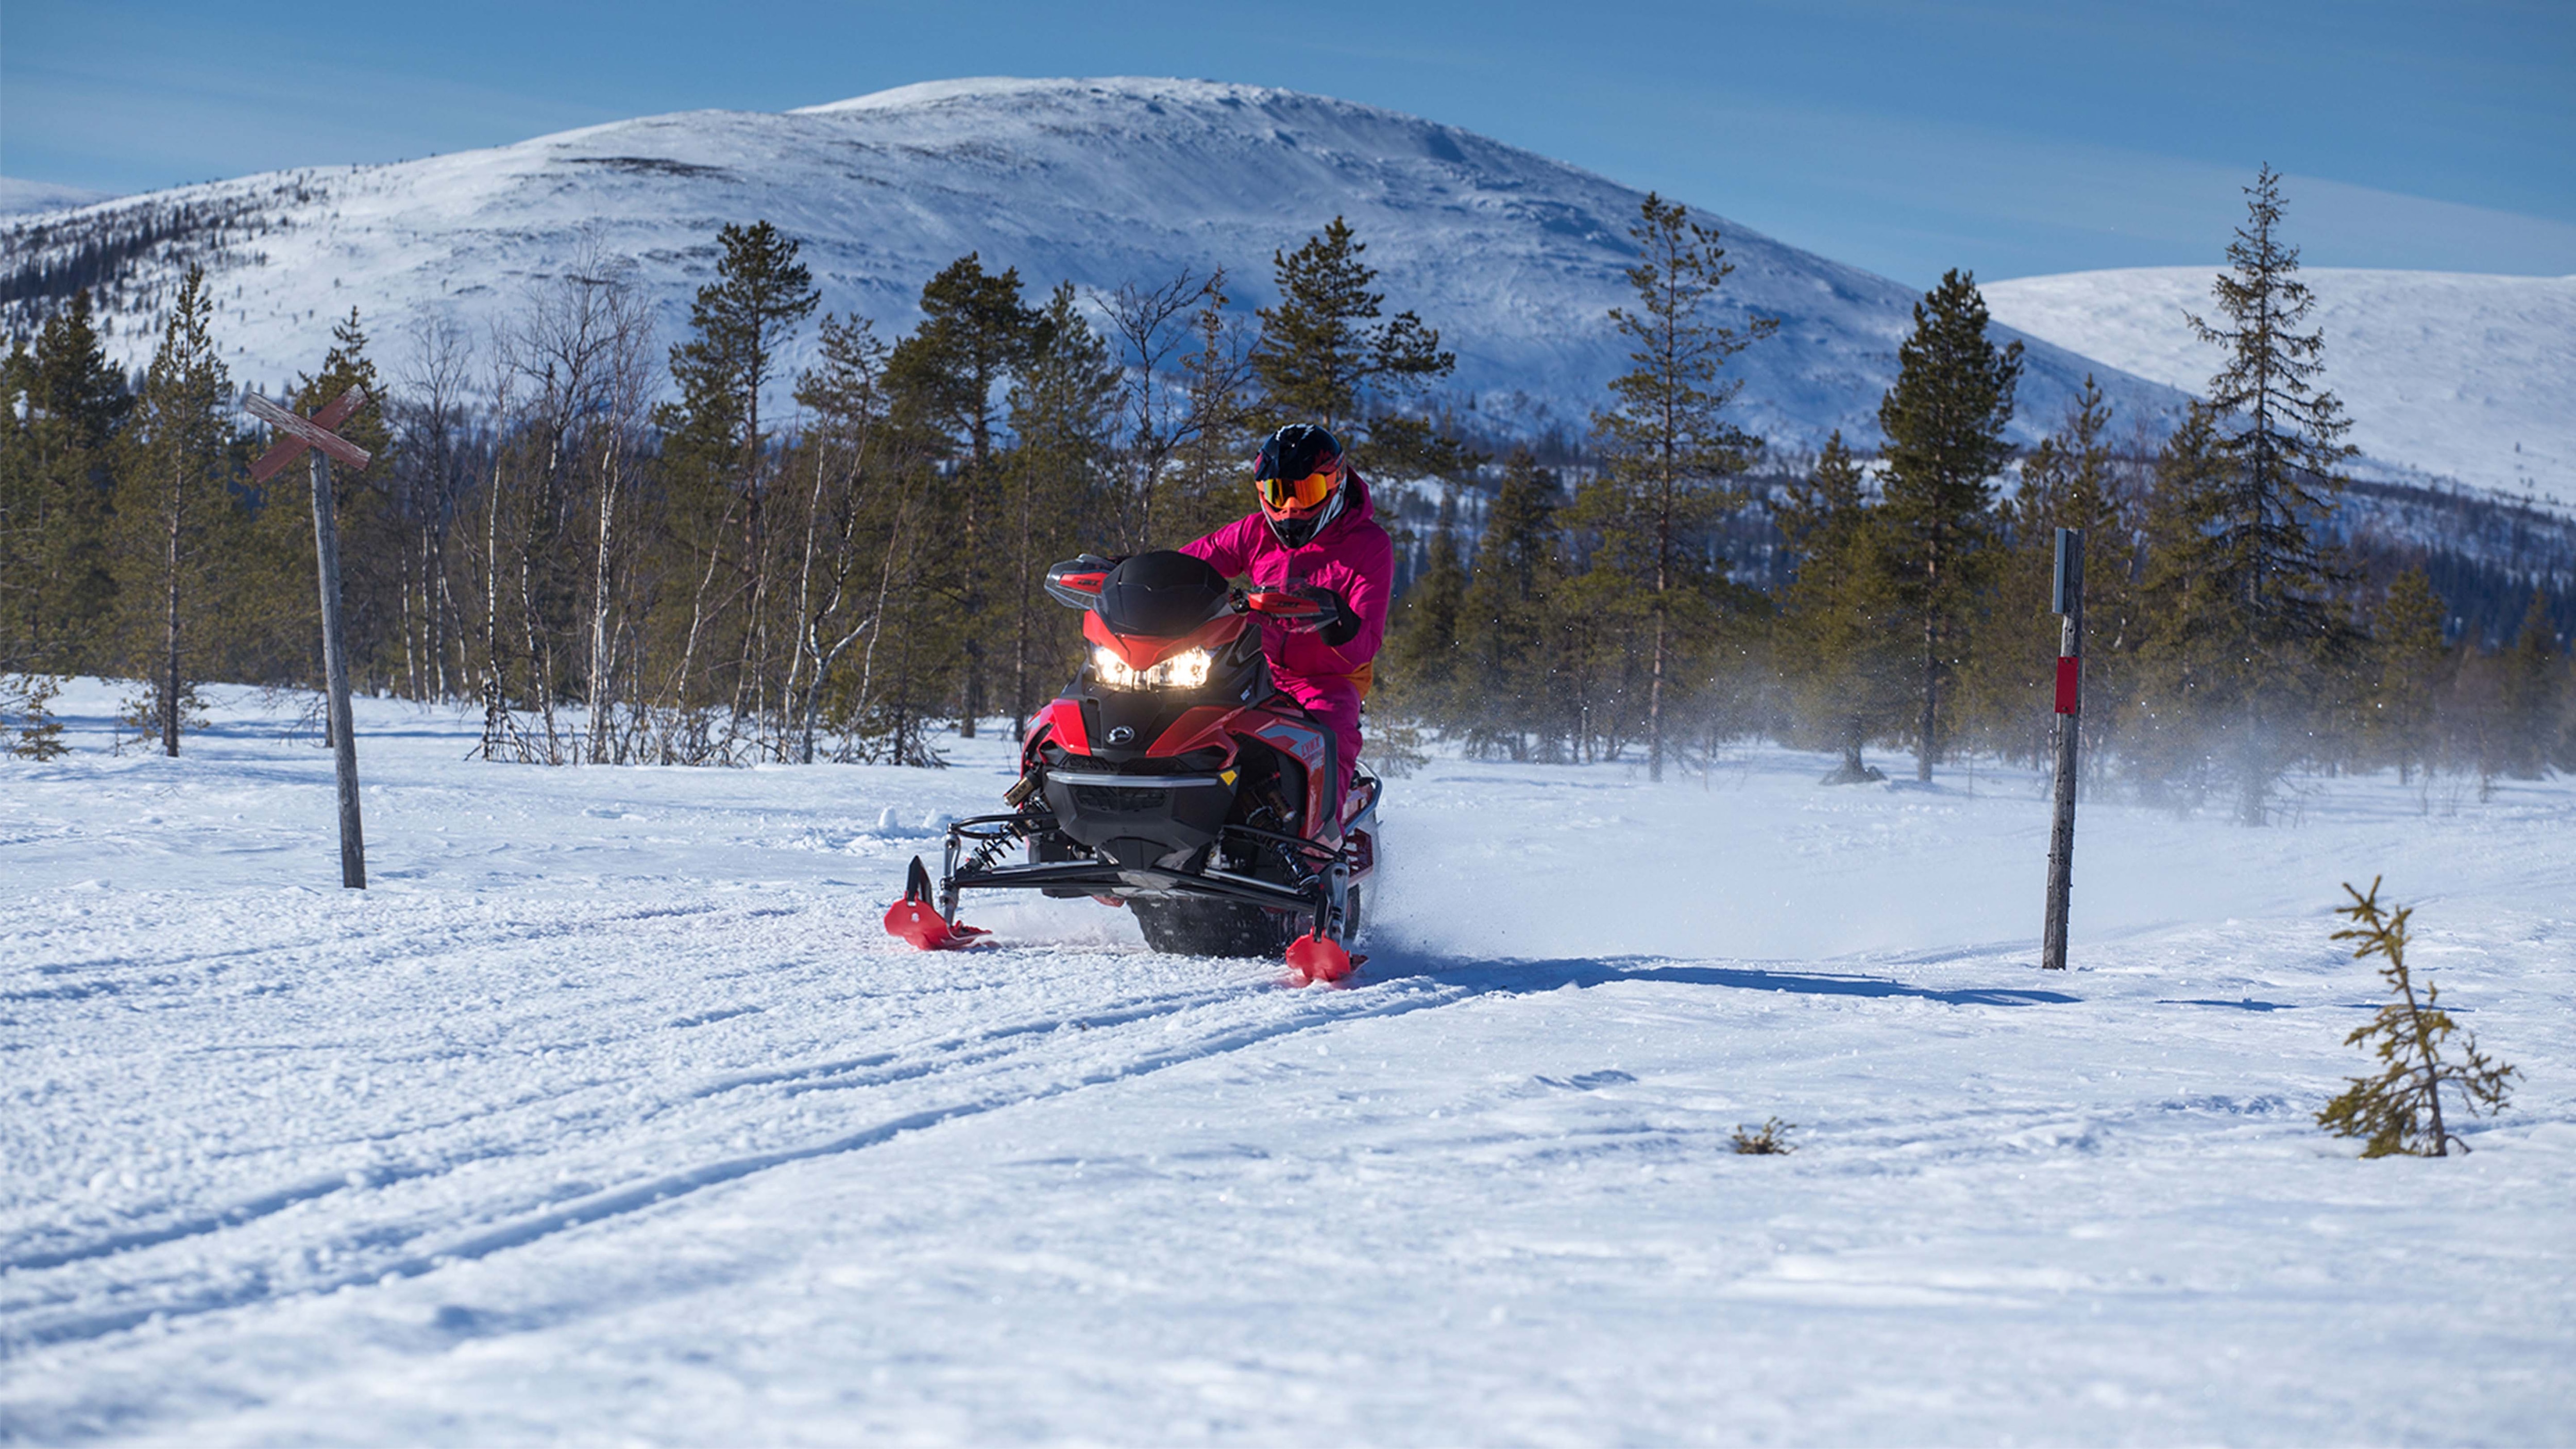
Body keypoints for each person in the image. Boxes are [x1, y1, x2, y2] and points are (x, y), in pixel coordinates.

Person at [1181, 423, 1392, 813]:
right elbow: (1193, 560)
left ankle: (1321, 845)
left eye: (1305, 492)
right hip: (1250, 668)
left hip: (1328, 681)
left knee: (1330, 733)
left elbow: (1365, 644)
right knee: (1181, 714)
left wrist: (1333, 614)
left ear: (1335, 484)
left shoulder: (1369, 545)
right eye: (1279, 494)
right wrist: (1137, 573)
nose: (1291, 509)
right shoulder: (1256, 531)